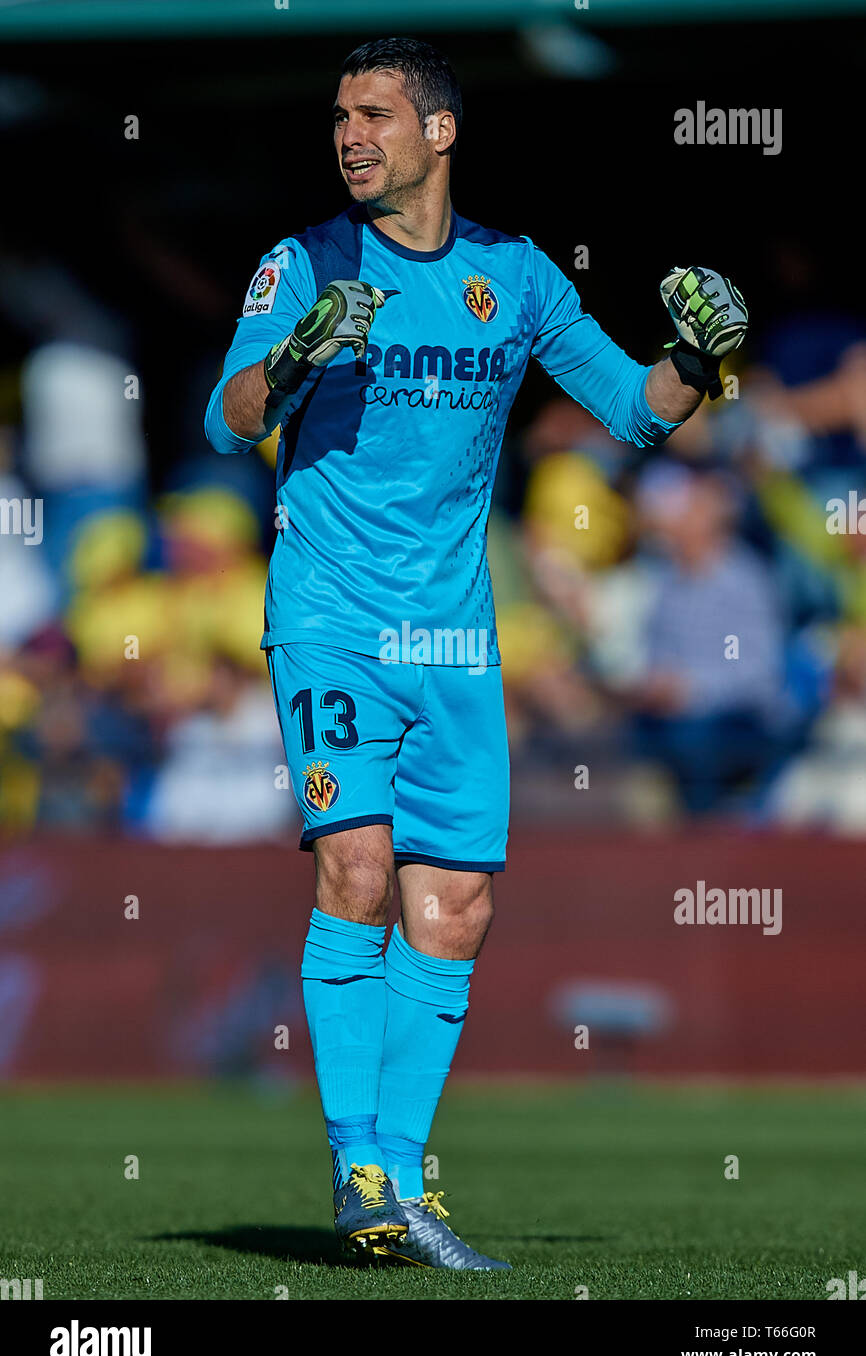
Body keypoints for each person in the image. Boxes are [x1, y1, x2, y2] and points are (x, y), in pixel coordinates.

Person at [204, 35, 747, 1270]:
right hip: (331, 620)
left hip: (453, 639)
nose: (349, 136)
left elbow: (629, 409)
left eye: (375, 116)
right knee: (353, 873)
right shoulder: (300, 265)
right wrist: (290, 363)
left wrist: (697, 356)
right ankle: (357, 1170)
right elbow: (223, 421)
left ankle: (395, 1174)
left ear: (437, 133)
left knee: (452, 907)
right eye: (339, 116)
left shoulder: (514, 273)